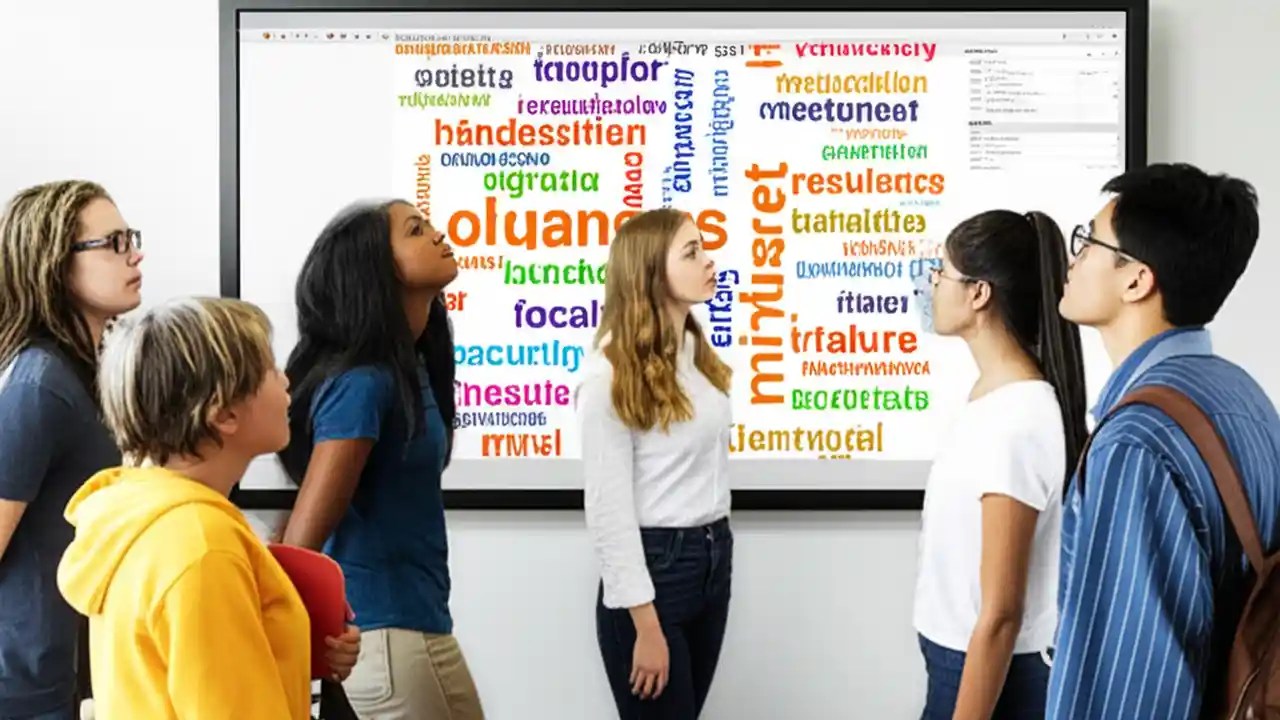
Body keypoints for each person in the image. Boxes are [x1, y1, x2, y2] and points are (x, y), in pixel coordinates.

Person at [1048, 163, 1280, 719]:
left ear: (1136, 279)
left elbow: (1130, 687)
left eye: (1088, 240)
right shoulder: (1242, 394)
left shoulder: (1137, 442)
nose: (1073, 258)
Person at [54, 296, 360, 719]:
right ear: (224, 414)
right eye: (270, 369)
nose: (286, 379)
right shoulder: (201, 545)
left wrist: (292, 644)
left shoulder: (139, 517)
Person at [276, 199, 482, 719]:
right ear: (376, 271)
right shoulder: (363, 384)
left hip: (414, 628)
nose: (437, 234)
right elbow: (303, 542)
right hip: (388, 639)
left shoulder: (409, 365)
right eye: (416, 231)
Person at [911, 210, 1088, 719]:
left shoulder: (1018, 419)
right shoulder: (995, 396)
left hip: (990, 669)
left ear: (979, 293)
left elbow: (1002, 613)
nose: (932, 285)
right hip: (959, 657)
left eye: (941, 272)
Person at [577, 208, 734, 720]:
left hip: (712, 558)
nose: (710, 261)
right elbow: (607, 511)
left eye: (704, 247)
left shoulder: (694, 352)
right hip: (654, 575)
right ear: (649, 272)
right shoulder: (610, 374)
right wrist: (645, 625)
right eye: (692, 252)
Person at [0, 180, 143, 720]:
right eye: (113, 243)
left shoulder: (94, 373)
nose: (135, 253)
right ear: (56, 263)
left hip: (83, 673)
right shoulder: (39, 384)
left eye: (130, 237)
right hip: (28, 686)